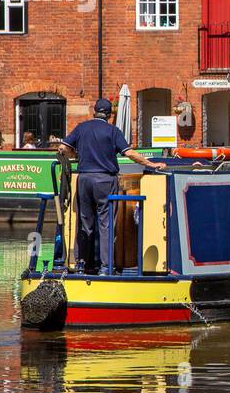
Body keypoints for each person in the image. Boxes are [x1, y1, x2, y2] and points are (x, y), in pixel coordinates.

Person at [55, 97, 165, 274]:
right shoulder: (113, 131)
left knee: (85, 223)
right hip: (105, 181)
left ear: (94, 112)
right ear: (109, 114)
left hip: (84, 180)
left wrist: (77, 154)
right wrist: (151, 164)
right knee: (106, 224)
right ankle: (106, 267)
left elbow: (62, 148)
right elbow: (130, 153)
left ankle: (82, 265)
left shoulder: (82, 128)